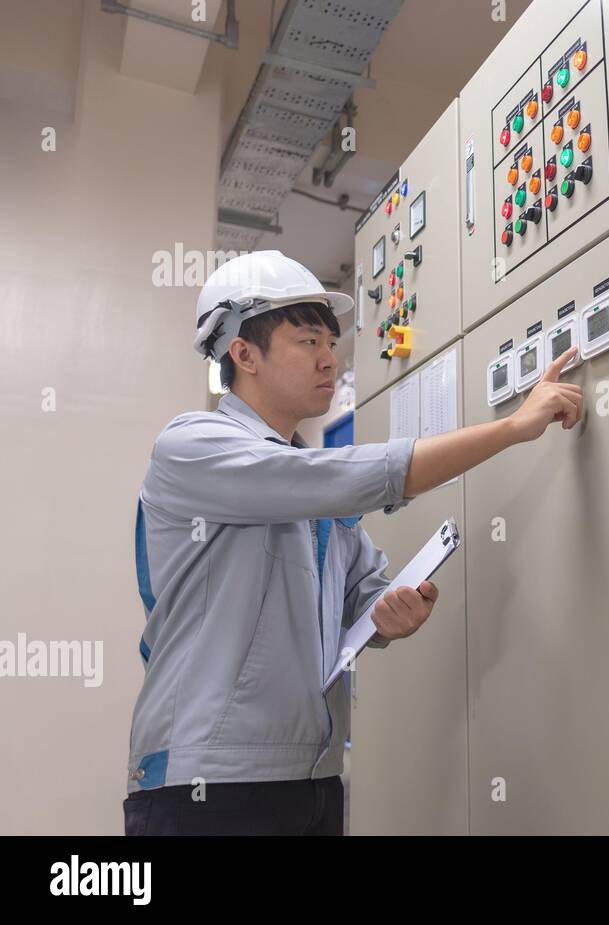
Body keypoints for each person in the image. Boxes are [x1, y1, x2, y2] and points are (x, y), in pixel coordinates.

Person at [123, 250, 582, 835]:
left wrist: (385, 613)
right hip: (205, 788)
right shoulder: (194, 446)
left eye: (330, 344)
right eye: (307, 341)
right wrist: (514, 427)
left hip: (310, 778)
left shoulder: (307, 484)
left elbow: (362, 593)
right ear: (243, 353)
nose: (328, 359)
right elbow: (340, 478)